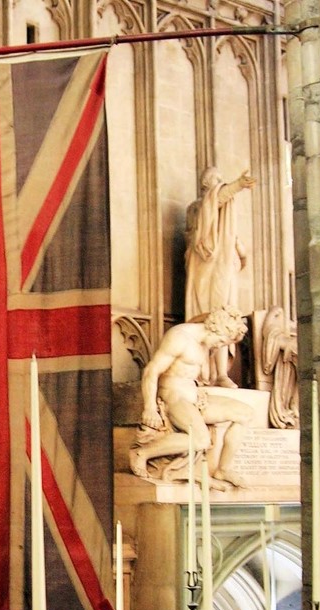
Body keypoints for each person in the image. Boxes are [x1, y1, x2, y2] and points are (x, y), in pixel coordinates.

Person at [130, 306, 254, 488]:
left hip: (195, 397)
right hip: (173, 396)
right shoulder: (180, 337)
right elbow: (152, 370)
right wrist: (150, 407)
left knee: (245, 413)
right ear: (214, 328)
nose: (219, 346)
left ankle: (223, 469)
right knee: (201, 439)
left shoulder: (204, 342)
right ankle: (143, 453)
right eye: (221, 341)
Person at [184, 167, 256, 387]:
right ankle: (204, 371)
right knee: (208, 314)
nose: (220, 184)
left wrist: (241, 254)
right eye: (217, 180)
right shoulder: (199, 207)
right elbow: (217, 199)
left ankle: (221, 373)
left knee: (225, 315)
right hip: (205, 267)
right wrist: (238, 184)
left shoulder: (223, 221)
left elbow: (235, 241)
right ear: (207, 185)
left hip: (222, 265)